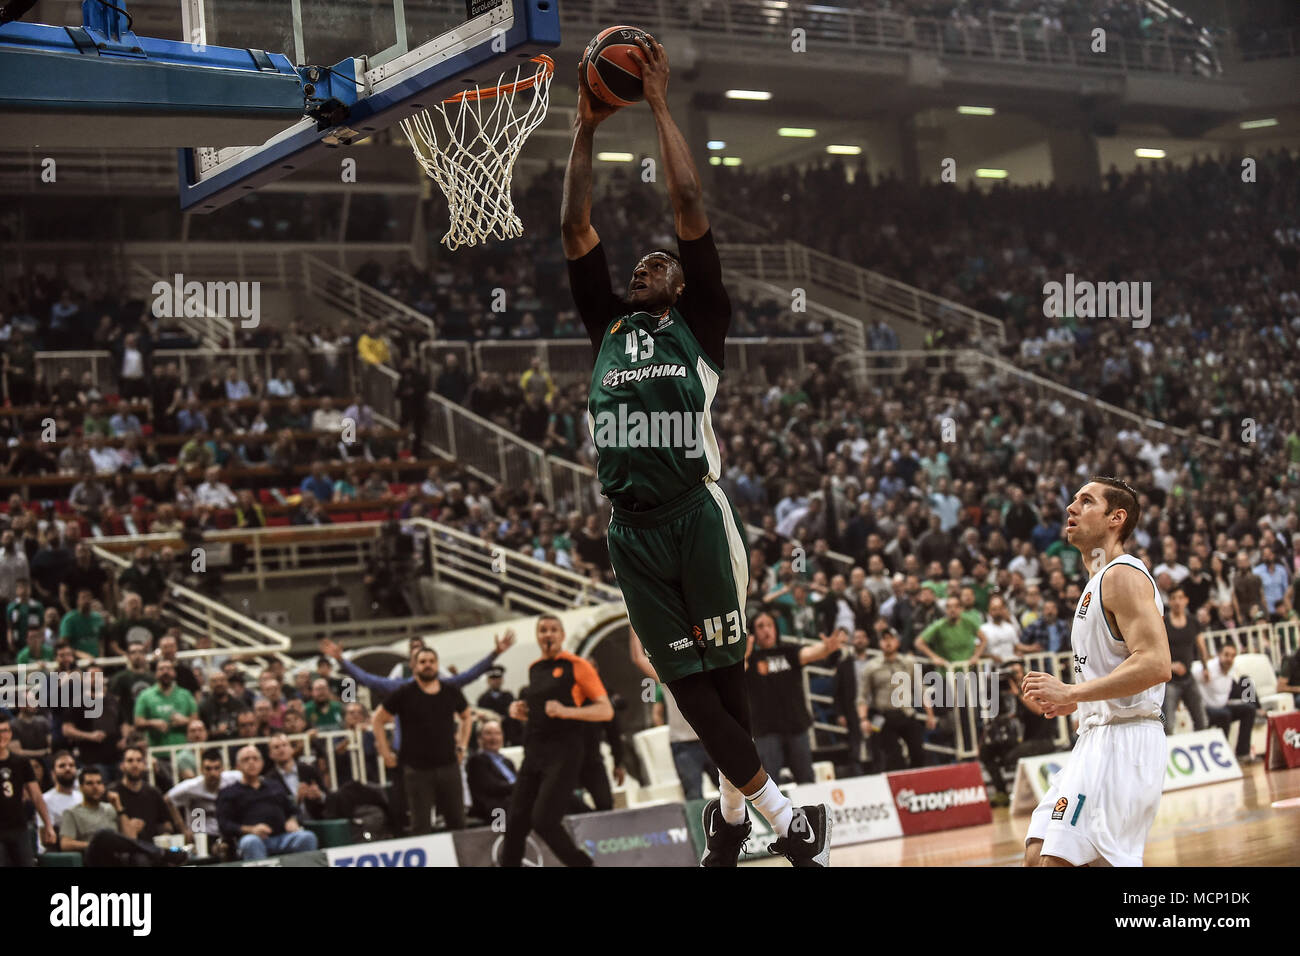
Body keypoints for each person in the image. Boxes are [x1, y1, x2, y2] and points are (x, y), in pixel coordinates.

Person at [562, 35, 828, 866]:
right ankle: (772, 817)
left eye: (660, 263)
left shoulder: (702, 320)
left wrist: (659, 106)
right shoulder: (606, 323)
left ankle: (747, 820)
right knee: (686, 687)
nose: (645, 264)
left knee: (723, 678)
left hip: (695, 512)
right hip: (631, 529)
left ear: (685, 284)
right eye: (636, 265)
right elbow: (575, 224)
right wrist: (585, 124)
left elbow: (685, 200)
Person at [1022, 478, 1172, 867]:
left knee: (1058, 862)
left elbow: (1156, 663)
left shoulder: (1122, 575)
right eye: (1073, 500)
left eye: (1086, 502)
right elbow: (1119, 666)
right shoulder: (1097, 581)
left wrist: (1072, 693)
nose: (1070, 508)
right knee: (1037, 851)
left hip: (1125, 743)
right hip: (1095, 739)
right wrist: (1079, 702)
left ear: (1115, 518)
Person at [501, 614, 611, 867]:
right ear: (538, 637)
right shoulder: (534, 668)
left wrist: (566, 711)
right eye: (542, 630)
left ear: (561, 636)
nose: (547, 634)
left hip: (565, 750)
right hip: (534, 751)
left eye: (553, 630)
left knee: (543, 820)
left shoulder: (578, 665)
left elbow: (606, 710)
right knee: (515, 820)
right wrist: (521, 712)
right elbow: (540, 711)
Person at [373, 648, 471, 834]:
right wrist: (385, 752)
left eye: (432, 661)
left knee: (457, 820)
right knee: (421, 825)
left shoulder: (450, 691)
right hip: (416, 769)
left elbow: (467, 716)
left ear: (437, 664)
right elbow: (377, 719)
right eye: (423, 661)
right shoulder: (404, 692)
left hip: (448, 765)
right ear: (414, 666)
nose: (428, 665)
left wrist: (462, 745)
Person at [744, 613, 844, 784]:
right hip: (766, 730)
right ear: (753, 632)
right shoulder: (750, 660)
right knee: (769, 784)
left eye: (769, 625)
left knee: (806, 779)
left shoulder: (789, 651)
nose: (766, 630)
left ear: (776, 628)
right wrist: (744, 654)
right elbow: (736, 674)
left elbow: (810, 653)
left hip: (797, 725)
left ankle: (808, 811)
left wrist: (826, 648)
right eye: (760, 626)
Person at [61, 766, 187, 867]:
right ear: (81, 787)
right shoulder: (72, 812)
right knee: (103, 835)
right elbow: (65, 844)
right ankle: (161, 852)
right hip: (94, 857)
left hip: (117, 856)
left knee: (140, 858)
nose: (95, 787)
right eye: (90, 783)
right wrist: (92, 844)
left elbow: (131, 838)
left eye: (99, 783)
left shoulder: (110, 808)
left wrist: (119, 808)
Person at [217, 745, 320, 860]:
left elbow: (293, 810)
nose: (251, 762)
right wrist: (251, 830)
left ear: (262, 763)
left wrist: (292, 820)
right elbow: (224, 824)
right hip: (253, 839)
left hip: (283, 837)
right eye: (246, 759)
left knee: (307, 837)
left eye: (255, 759)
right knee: (250, 842)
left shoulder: (274, 785)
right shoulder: (229, 792)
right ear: (238, 766)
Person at [857, 628, 935, 771]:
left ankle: (916, 782)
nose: (888, 643)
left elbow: (921, 689)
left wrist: (930, 715)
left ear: (897, 642)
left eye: (891, 639)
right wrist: (863, 719)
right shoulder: (871, 667)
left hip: (906, 713)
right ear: (879, 643)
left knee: (918, 752)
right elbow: (862, 697)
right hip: (884, 716)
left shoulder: (909, 663)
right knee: (893, 756)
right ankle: (901, 787)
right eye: (884, 639)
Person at [0, 714, 56, 865]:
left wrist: (48, 825)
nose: (2, 735)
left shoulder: (20, 762)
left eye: (5, 731)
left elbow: (36, 796)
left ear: (11, 733)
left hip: (19, 827)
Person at [1192, 643, 1257, 763]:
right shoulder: (1208, 668)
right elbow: (1189, 678)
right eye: (1226, 655)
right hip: (1207, 709)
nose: (1229, 659)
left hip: (1223, 705)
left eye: (1232, 656)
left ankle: (1243, 753)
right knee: (1225, 714)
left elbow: (1244, 684)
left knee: (1249, 709)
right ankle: (1222, 757)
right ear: (1218, 655)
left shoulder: (1232, 668)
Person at [165, 747, 241, 841]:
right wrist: (183, 829)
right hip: (202, 834)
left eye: (216, 768)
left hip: (229, 830)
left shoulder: (235, 778)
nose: (212, 773)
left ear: (223, 769)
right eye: (208, 769)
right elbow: (167, 799)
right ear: (201, 770)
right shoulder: (191, 786)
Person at [1161, 586, 1208, 733]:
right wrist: (1170, 665)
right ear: (1169, 601)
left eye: (1180, 598)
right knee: (1168, 725)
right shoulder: (1164, 622)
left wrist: (1206, 667)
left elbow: (1201, 646)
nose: (1177, 602)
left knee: (1202, 720)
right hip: (1170, 680)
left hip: (1188, 677)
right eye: (1174, 598)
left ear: (1186, 600)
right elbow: (1156, 650)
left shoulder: (1192, 621)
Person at [109, 745, 174, 843]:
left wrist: (164, 833)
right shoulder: (112, 793)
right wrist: (126, 826)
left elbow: (166, 824)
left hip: (151, 846)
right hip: (123, 846)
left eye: (139, 760)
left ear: (144, 765)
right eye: (130, 761)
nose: (135, 765)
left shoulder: (153, 792)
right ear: (122, 766)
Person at [262, 733, 327, 821]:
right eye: (276, 747)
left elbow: (328, 797)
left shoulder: (309, 770)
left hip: (317, 820)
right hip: (289, 826)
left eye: (284, 745)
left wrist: (320, 795)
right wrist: (296, 800)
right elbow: (273, 811)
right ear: (270, 754)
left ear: (292, 749)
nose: (281, 749)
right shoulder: (269, 780)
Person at [465, 719, 517, 823]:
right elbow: (492, 787)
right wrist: (521, 787)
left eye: (497, 733)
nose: (494, 738)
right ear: (479, 739)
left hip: (514, 801)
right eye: (488, 733)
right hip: (494, 807)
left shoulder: (508, 762)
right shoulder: (476, 761)